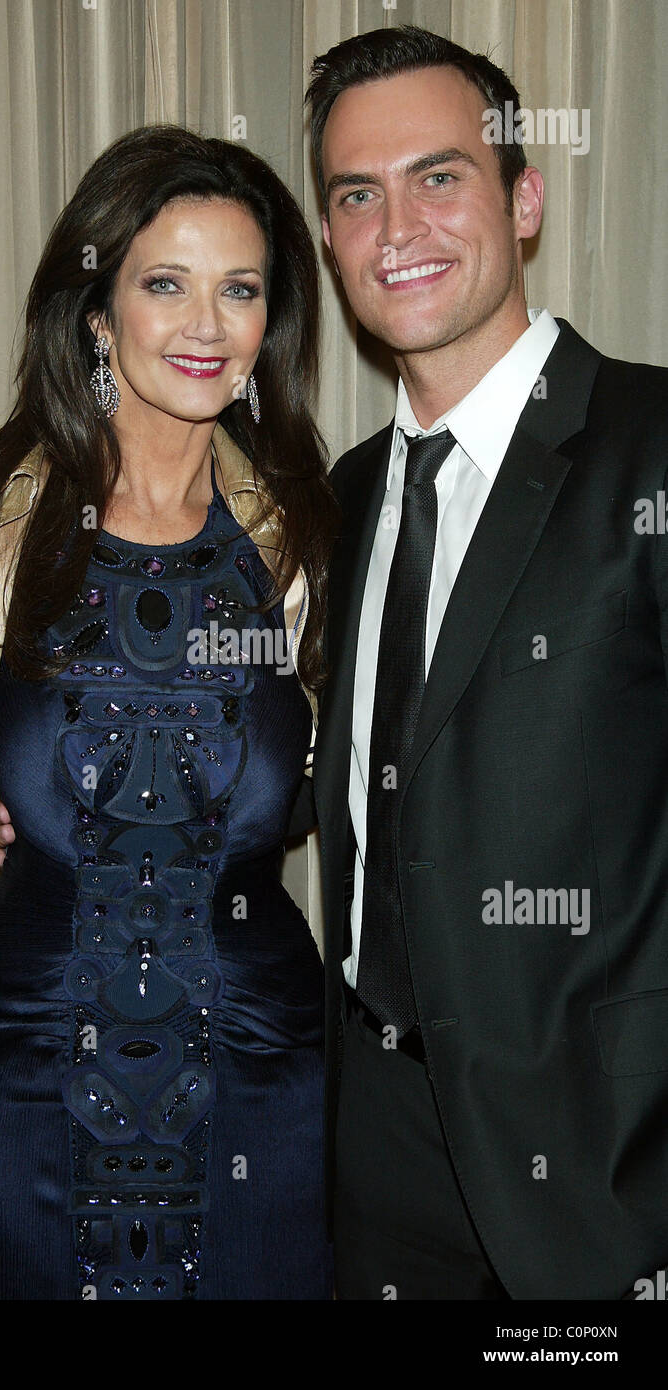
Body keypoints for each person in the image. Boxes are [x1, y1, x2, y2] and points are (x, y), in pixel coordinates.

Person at [0, 125, 338, 1300]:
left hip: (266, 1081)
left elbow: (344, 795)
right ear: (96, 310)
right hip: (21, 1084)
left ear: (271, 323)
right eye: (166, 284)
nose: (206, 325)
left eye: (240, 290)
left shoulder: (309, 540)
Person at [300, 24, 668, 1301]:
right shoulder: (337, 501)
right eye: (356, 193)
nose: (395, 223)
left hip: (599, 1172)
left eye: (437, 175)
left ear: (523, 198)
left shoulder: (649, 446)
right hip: (368, 1147)